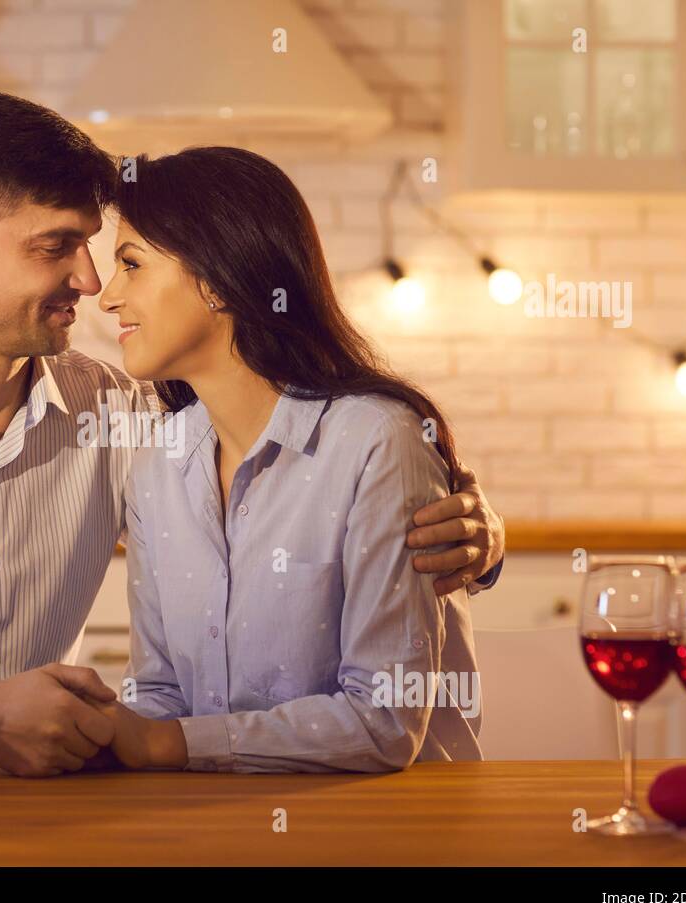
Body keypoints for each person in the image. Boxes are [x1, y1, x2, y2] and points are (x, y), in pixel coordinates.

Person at [0, 91, 504, 778]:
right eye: (56, 247)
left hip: (40, 821)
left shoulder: (130, 420)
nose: (92, 280)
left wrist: (475, 533)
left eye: (102, 251)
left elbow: (293, 450)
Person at [89, 146, 483, 772]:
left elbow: (384, 724)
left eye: (131, 264)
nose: (106, 297)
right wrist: (108, 731)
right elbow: (159, 695)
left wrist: (166, 743)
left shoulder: (377, 440)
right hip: (219, 830)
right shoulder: (159, 465)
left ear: (216, 279)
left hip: (396, 833)